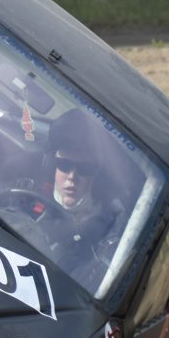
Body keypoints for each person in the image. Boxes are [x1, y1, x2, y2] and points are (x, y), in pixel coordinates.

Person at [43, 113, 125, 288]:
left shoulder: (108, 227)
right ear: (52, 166)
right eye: (64, 165)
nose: (72, 176)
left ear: (97, 177)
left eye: (84, 168)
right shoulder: (25, 189)